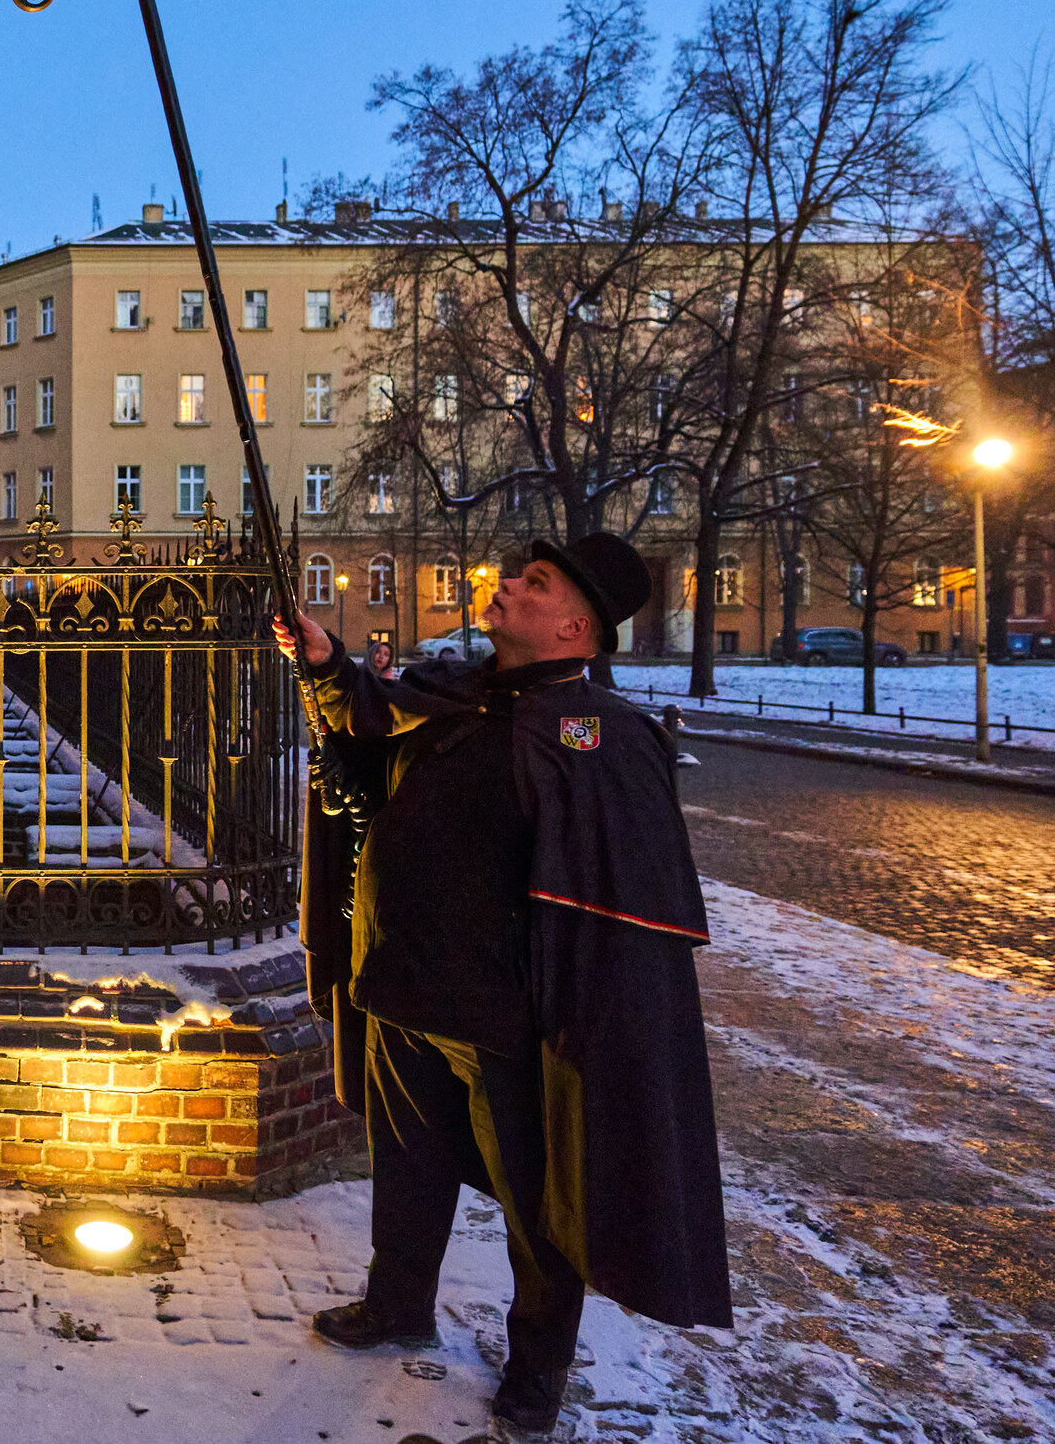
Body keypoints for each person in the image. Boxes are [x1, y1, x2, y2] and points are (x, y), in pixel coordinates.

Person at [274, 533, 731, 1439]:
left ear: (575, 625)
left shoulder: (598, 732)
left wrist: (573, 1017)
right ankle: (397, 1304)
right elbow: (373, 724)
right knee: (405, 1169)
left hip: (506, 1018)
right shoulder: (459, 695)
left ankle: (535, 1370)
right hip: (404, 988)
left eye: (534, 583)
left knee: (538, 1207)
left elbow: (622, 896)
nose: (505, 588)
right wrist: (326, 662)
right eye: (513, 575)